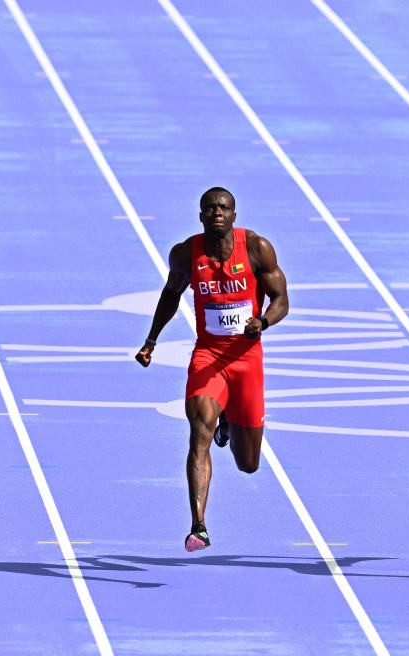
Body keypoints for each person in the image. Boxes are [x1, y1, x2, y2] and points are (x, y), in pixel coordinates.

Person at [136, 187, 289, 551]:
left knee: (249, 463)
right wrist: (151, 341)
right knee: (198, 431)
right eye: (210, 208)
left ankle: (230, 423)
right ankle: (198, 525)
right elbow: (171, 295)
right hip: (208, 356)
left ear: (234, 215)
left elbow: (282, 300)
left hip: (247, 359)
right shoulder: (185, 254)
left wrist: (263, 322)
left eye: (224, 207)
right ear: (201, 215)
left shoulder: (256, 248)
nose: (217, 212)